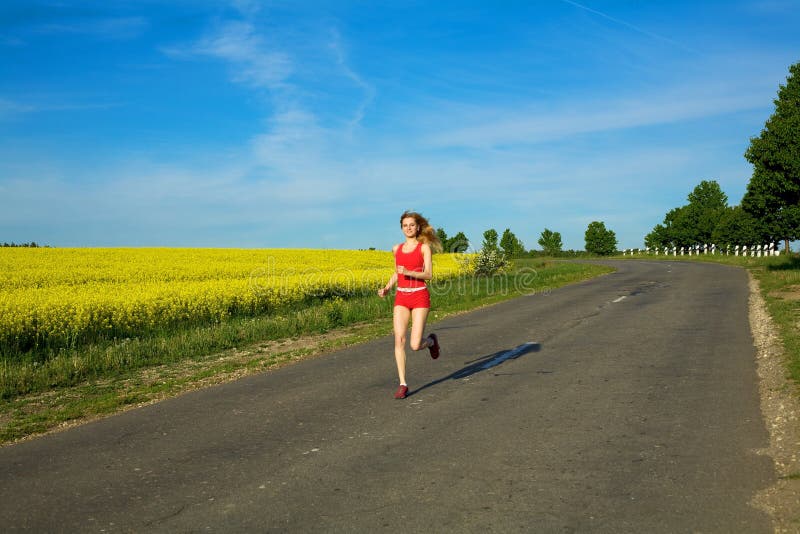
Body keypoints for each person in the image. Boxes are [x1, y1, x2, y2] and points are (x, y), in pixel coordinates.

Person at [378, 211, 442, 399]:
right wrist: (387, 288)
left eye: (412, 225)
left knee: (414, 345)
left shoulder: (424, 248)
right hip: (401, 298)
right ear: (401, 228)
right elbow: (397, 273)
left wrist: (409, 272)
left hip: (419, 296)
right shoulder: (396, 248)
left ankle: (430, 342)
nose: (408, 228)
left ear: (418, 227)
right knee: (399, 340)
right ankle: (403, 384)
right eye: (405, 225)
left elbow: (428, 274)